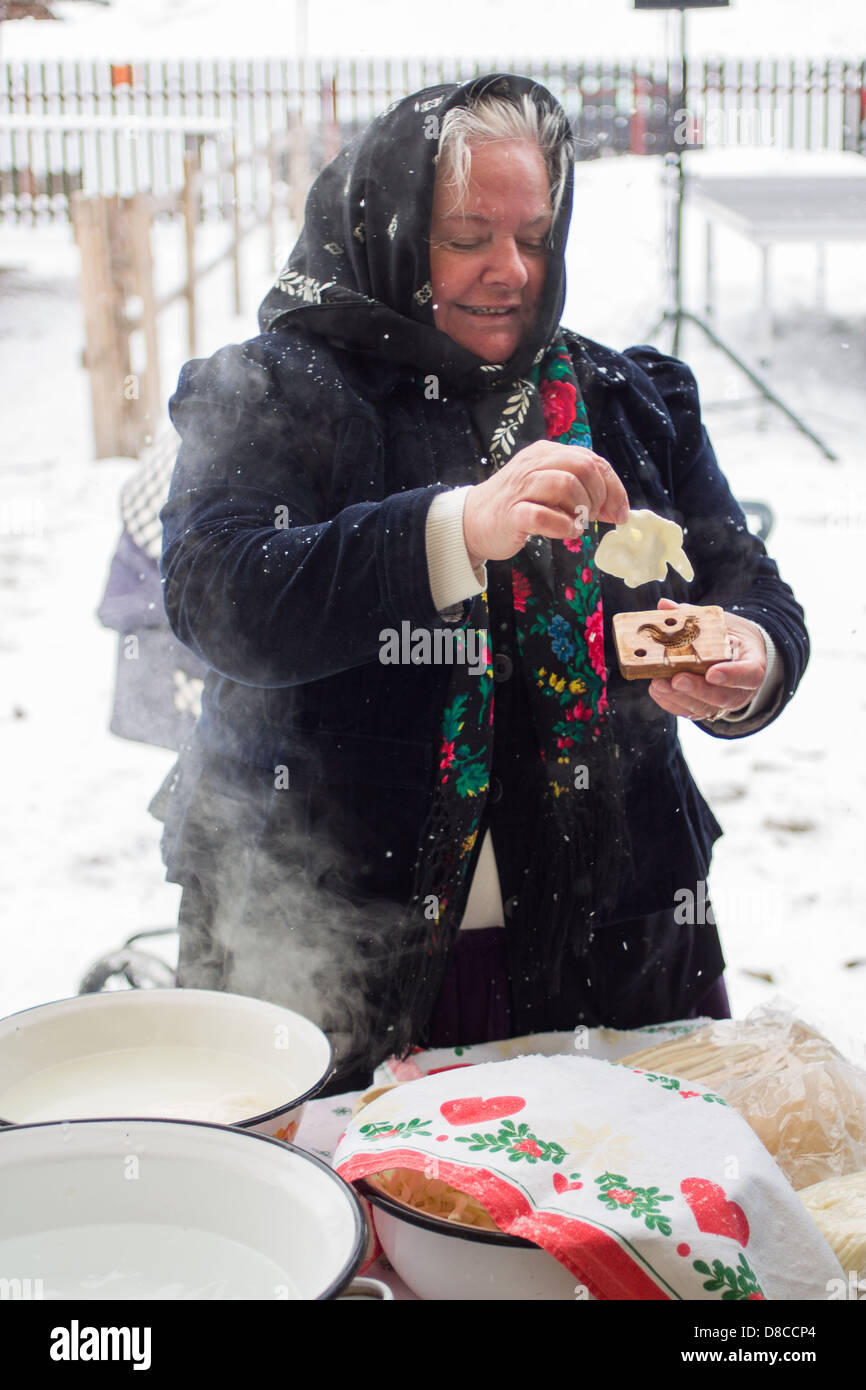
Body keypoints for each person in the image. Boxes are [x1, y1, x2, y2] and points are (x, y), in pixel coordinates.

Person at [152, 73, 808, 1093]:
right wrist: (453, 529)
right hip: (329, 957)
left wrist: (747, 660)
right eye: (466, 234)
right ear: (391, 227)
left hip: (613, 950)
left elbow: (751, 593)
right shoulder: (277, 392)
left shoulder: (627, 400)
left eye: (534, 234)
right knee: (358, 1240)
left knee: (599, 1230)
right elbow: (220, 596)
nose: (510, 269)